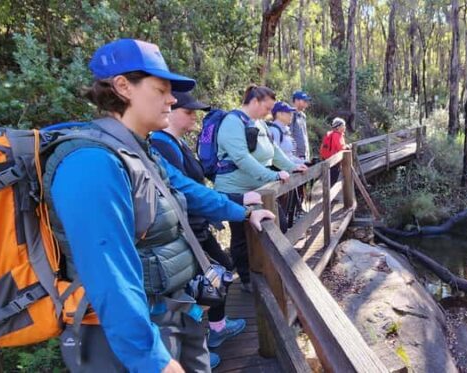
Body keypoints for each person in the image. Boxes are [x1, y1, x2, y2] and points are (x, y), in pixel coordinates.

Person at [47, 39, 274, 373]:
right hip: (123, 338)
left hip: (174, 312)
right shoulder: (91, 163)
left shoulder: (140, 151)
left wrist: (244, 212)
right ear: (123, 86)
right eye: (161, 89)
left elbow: (188, 191)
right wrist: (151, 360)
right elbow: (109, 275)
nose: (171, 99)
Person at [149, 91, 251, 365]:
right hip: (183, 232)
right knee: (202, 283)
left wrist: (235, 201)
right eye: (188, 111)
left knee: (217, 273)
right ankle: (191, 350)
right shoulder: (162, 145)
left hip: (195, 228)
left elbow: (196, 186)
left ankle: (210, 333)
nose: (195, 116)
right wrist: (239, 206)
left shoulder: (176, 143)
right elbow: (186, 191)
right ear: (171, 112)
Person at [213, 85, 308, 292]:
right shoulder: (232, 122)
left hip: (258, 189)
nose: (269, 112)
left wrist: (292, 168)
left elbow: (273, 152)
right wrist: (272, 175)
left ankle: (265, 269)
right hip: (235, 189)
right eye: (267, 107)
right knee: (241, 235)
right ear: (255, 101)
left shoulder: (261, 124)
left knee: (277, 223)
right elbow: (241, 158)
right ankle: (247, 278)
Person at [267, 101, 303, 165]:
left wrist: (305, 162)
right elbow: (274, 158)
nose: (291, 115)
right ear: (279, 114)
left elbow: (290, 156)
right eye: (288, 112)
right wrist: (295, 167)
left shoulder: (286, 130)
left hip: (288, 169)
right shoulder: (274, 131)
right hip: (281, 172)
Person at [319, 117, 349, 182]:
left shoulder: (331, 134)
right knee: (333, 180)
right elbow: (340, 148)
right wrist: (347, 147)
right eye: (343, 125)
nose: (345, 127)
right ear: (338, 127)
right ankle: (329, 191)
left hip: (328, 159)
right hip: (334, 161)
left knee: (329, 179)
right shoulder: (336, 135)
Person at [290, 91, 312, 161]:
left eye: (307, 101)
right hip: (295, 156)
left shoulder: (303, 116)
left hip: (305, 155)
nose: (307, 103)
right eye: (304, 101)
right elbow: (289, 135)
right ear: (296, 101)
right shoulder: (290, 114)